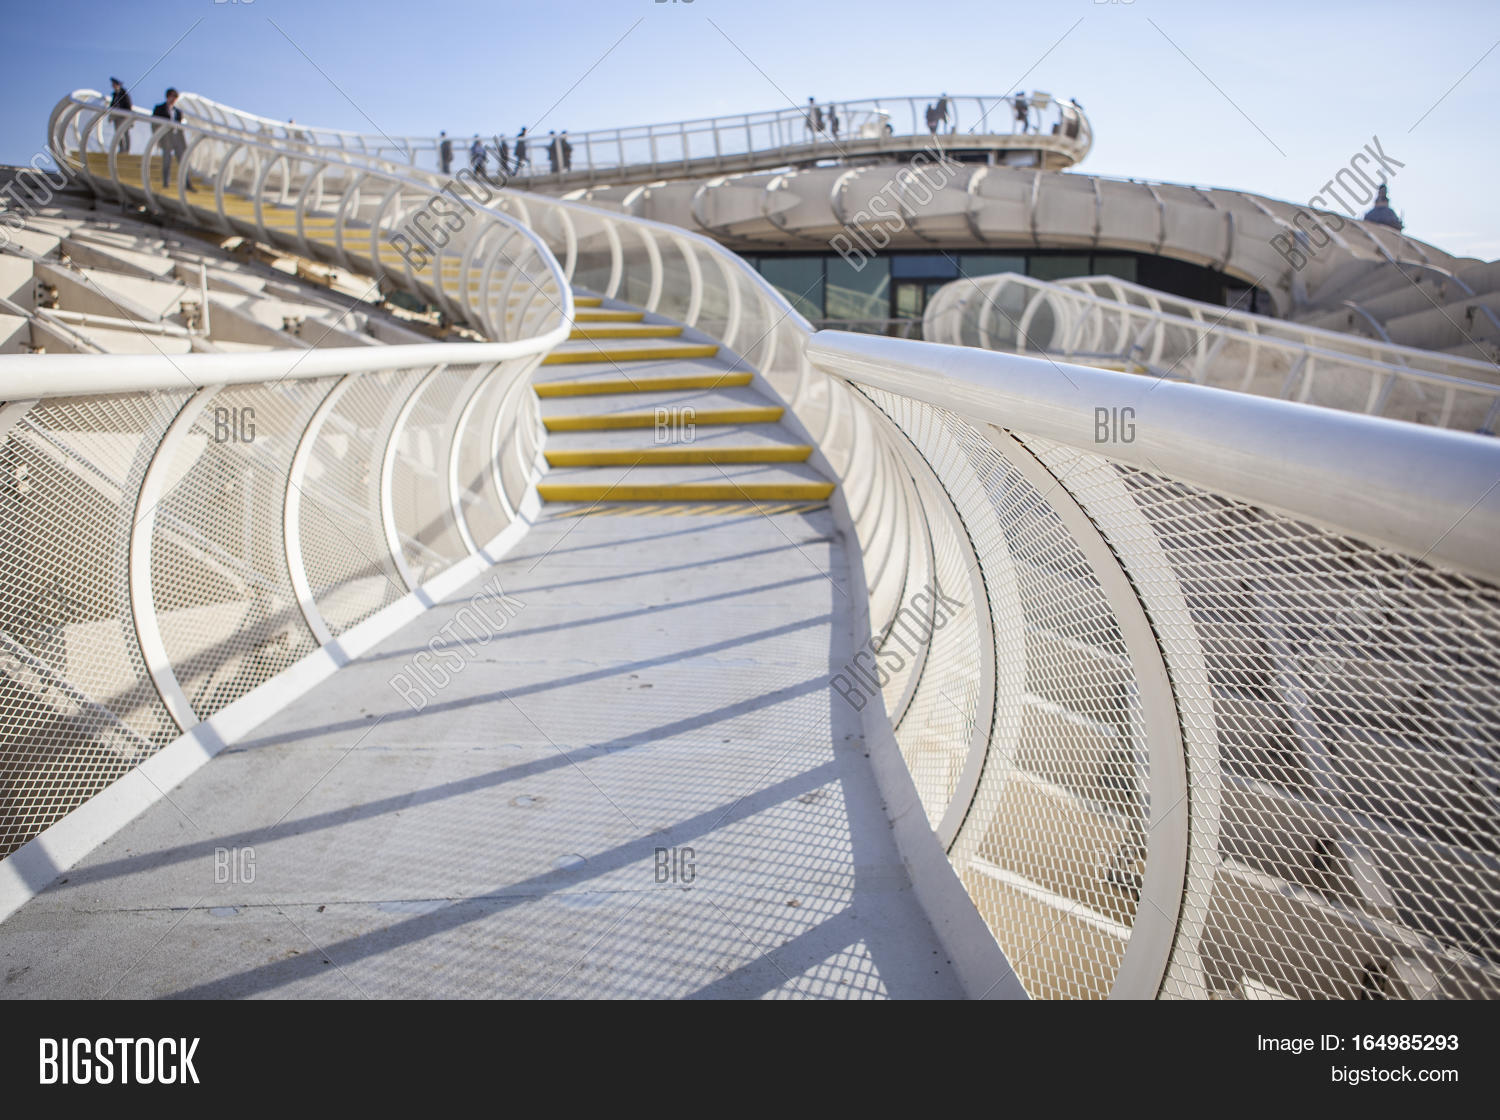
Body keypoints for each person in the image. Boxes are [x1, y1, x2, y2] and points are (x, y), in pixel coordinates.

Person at [151, 88, 192, 190]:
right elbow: (154, 123)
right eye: (172, 96)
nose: (173, 99)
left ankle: (187, 183)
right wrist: (157, 138)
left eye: (175, 97)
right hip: (166, 138)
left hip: (177, 139)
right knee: (167, 161)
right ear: (168, 97)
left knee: (182, 161)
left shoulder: (178, 112)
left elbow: (181, 127)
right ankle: (166, 183)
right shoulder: (159, 108)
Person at [108, 78, 132, 153]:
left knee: (125, 133)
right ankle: (121, 148)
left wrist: (128, 117)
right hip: (116, 117)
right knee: (118, 133)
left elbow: (128, 106)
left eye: (114, 84)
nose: (113, 86)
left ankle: (126, 150)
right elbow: (112, 106)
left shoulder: (124, 93)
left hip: (124, 117)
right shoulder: (114, 95)